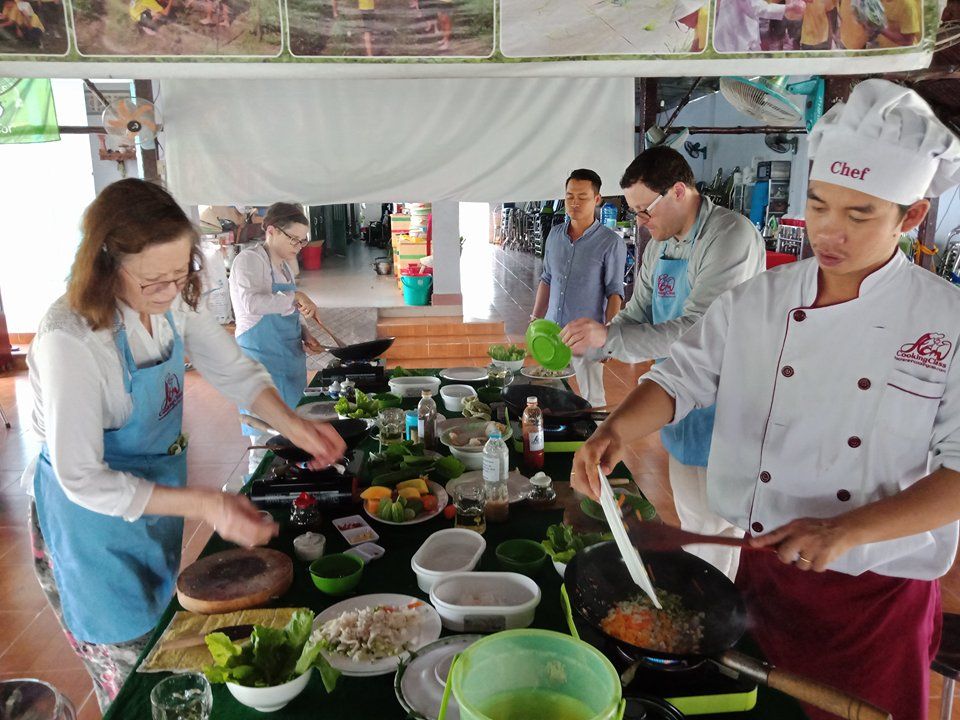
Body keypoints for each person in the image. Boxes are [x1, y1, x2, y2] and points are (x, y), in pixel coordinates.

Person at [572, 79, 960, 719]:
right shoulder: (760, 301)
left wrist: (846, 529)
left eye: (859, 214)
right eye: (818, 204)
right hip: (764, 581)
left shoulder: (945, 321)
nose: (829, 231)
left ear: (911, 216)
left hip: (875, 597)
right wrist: (613, 430)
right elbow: (679, 378)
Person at [21, 180, 346, 711]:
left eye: (181, 274)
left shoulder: (170, 302)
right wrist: (208, 504)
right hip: (90, 525)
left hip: (153, 500)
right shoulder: (71, 340)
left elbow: (234, 369)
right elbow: (81, 477)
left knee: (163, 629)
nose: (170, 290)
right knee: (135, 670)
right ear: (104, 264)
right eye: (154, 279)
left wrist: (294, 424)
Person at [561, 147, 764, 580]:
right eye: (634, 211)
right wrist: (594, 343)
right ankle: (709, 590)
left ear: (678, 191)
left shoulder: (730, 237)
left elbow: (699, 331)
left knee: (716, 528)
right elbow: (637, 313)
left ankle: (713, 602)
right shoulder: (660, 244)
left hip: (729, 405)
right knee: (695, 516)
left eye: (644, 210)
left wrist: (610, 338)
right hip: (677, 398)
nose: (640, 221)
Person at [229, 202, 325, 474]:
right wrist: (295, 297)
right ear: (271, 230)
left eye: (302, 241)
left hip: (289, 363)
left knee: (292, 435)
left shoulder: (284, 267)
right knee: (265, 441)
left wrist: (304, 333)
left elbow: (286, 310)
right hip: (261, 363)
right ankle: (258, 489)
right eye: (294, 238)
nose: (299, 246)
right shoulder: (250, 260)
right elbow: (251, 304)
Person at [530, 169, 626, 408]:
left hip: (587, 336)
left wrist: (608, 337)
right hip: (552, 332)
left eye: (582, 197)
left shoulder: (610, 242)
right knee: (550, 393)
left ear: (597, 199)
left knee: (592, 399)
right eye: (569, 196)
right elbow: (547, 279)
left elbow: (614, 293)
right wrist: (535, 318)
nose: (574, 203)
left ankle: (595, 432)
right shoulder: (555, 235)